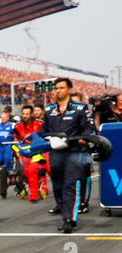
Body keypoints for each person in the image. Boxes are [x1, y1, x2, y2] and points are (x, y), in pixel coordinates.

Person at [41, 77, 95, 232]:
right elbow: (43, 131)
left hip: (75, 152)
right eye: (56, 88)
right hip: (56, 152)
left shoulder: (81, 108)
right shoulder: (49, 110)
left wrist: (85, 138)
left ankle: (69, 219)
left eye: (61, 88)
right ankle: (64, 213)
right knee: (58, 186)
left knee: (70, 184)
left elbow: (88, 128)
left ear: (69, 89)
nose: (58, 90)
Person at [13, 105, 45, 201]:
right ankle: (30, 189)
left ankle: (35, 193)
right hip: (24, 152)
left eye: (27, 114)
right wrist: (18, 152)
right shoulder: (17, 126)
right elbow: (15, 141)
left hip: (38, 151)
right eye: (23, 114)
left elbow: (45, 138)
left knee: (33, 170)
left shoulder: (40, 124)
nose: (25, 116)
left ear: (32, 114)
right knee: (24, 172)